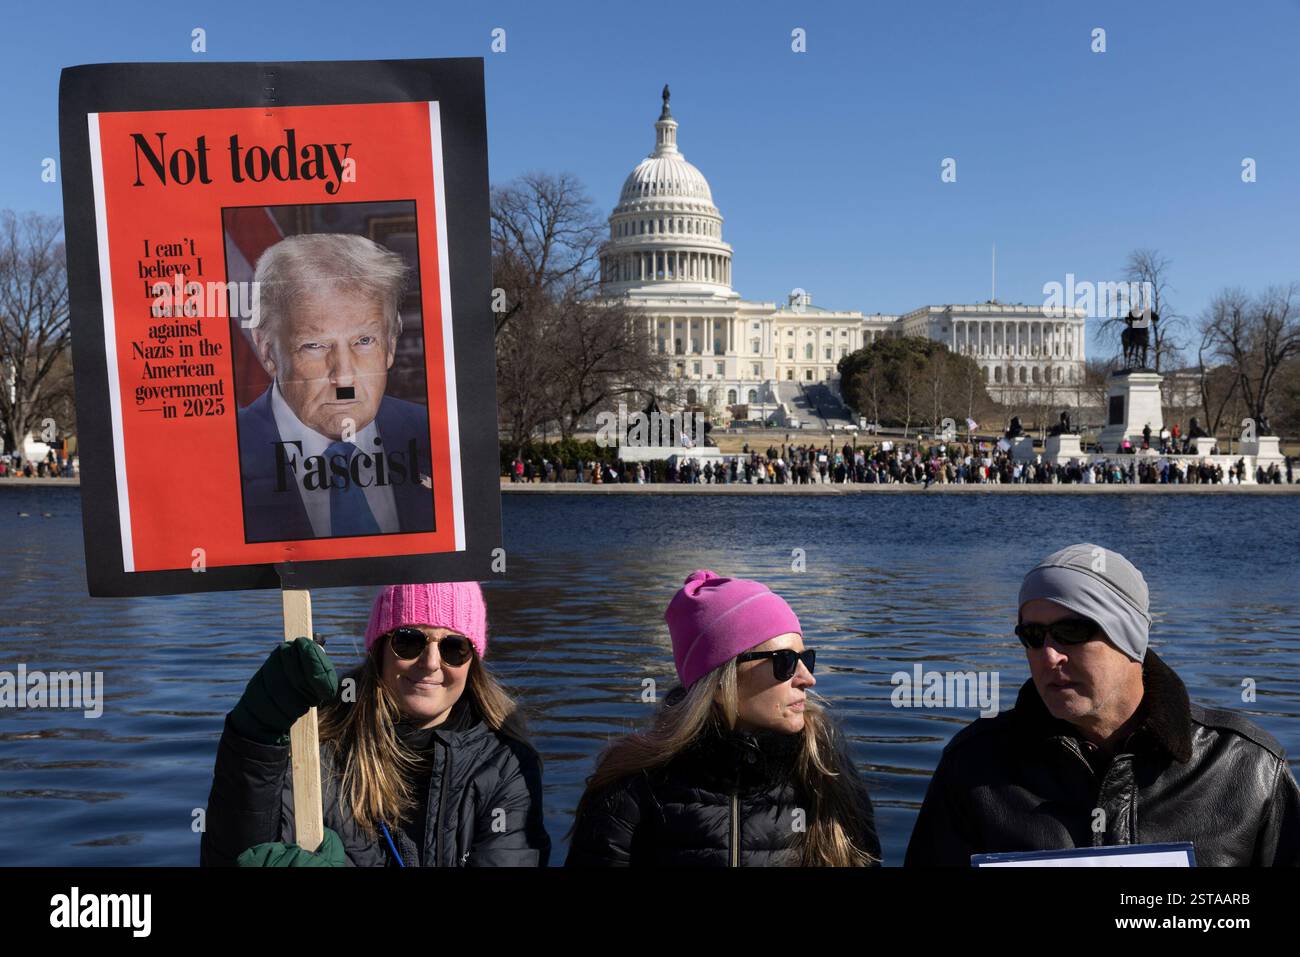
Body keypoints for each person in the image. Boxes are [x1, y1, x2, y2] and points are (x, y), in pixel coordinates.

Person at [905, 544, 1300, 866]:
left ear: (1130, 640)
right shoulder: (974, 767)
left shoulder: (1247, 768)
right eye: (1033, 635)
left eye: (1071, 631)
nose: (1049, 656)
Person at [200, 582, 550, 867]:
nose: (430, 663)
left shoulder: (507, 765)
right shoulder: (317, 745)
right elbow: (236, 858)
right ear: (380, 649)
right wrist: (253, 744)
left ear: (472, 662)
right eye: (409, 641)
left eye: (454, 647)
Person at [567, 570, 880, 867]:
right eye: (784, 662)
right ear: (719, 683)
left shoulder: (826, 773)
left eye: (805, 659)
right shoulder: (633, 787)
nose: (807, 678)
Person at [237, 233, 434, 543]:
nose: (343, 377)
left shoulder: (436, 435)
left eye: (365, 341)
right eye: (314, 345)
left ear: (391, 344)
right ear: (266, 350)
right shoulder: (216, 458)